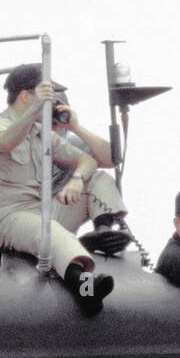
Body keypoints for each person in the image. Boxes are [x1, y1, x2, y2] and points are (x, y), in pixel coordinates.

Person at [0, 63, 124, 314]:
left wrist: (76, 179)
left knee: (95, 179)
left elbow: (88, 160)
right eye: (47, 95)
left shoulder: (39, 132)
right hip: (4, 217)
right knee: (48, 231)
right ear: (26, 96)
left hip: (37, 211)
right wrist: (33, 110)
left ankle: (104, 230)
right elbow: (6, 142)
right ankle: (86, 290)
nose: (53, 103)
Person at [48, 86, 133, 256]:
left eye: (55, 111)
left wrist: (76, 127)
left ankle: (102, 231)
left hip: (59, 213)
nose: (52, 120)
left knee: (98, 177)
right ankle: (68, 244)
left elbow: (112, 158)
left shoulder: (71, 143)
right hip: (30, 220)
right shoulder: (22, 140)